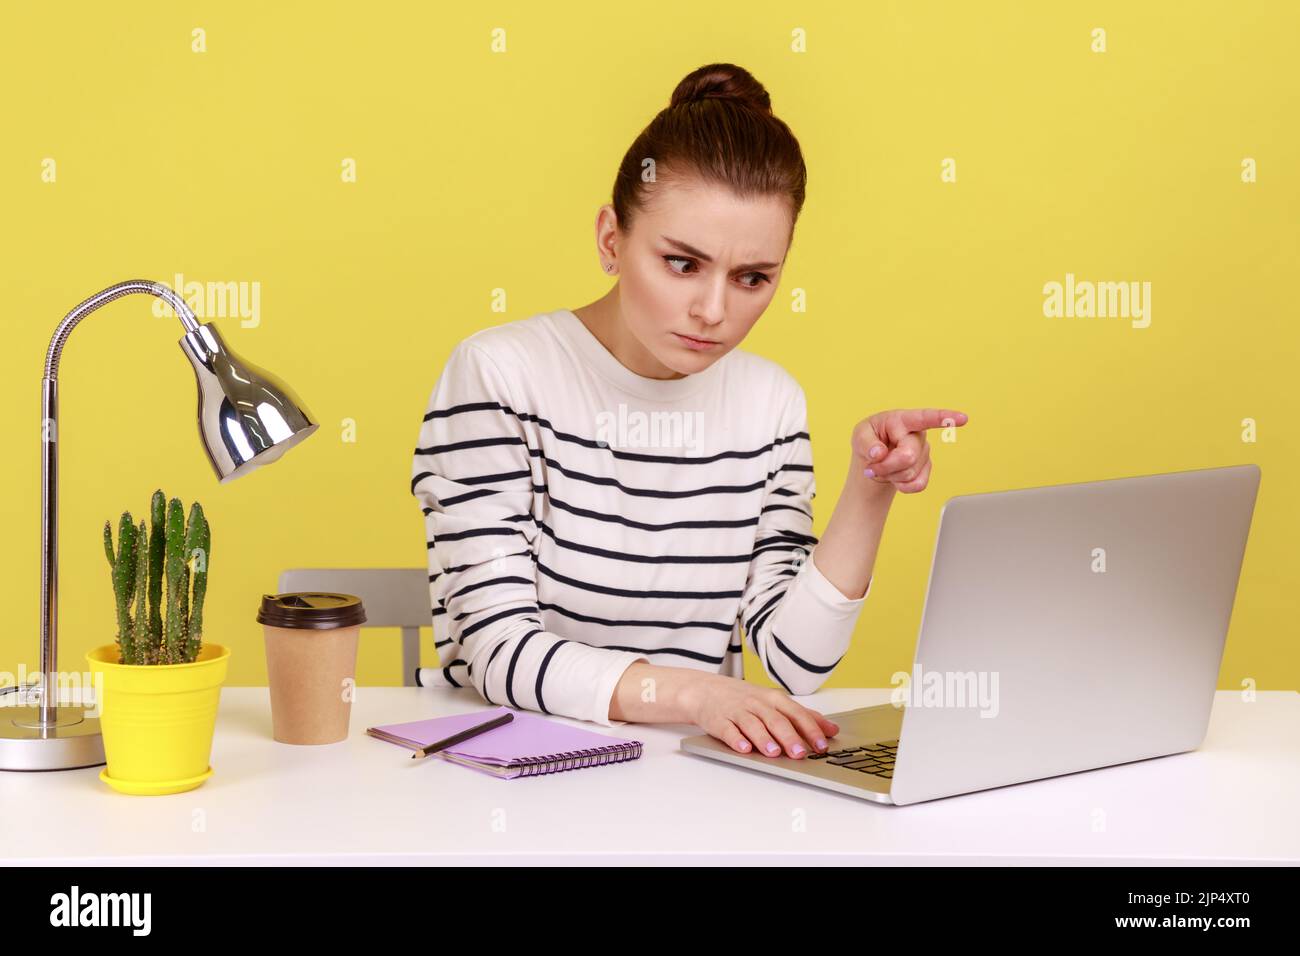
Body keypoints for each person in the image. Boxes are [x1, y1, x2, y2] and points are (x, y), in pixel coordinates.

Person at [410, 62, 968, 760]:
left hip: (693, 773)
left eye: (752, 278)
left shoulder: (769, 401)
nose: (713, 311)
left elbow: (797, 664)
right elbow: (494, 649)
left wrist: (871, 487)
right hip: (511, 767)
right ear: (612, 239)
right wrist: (698, 694)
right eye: (681, 263)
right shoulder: (499, 374)